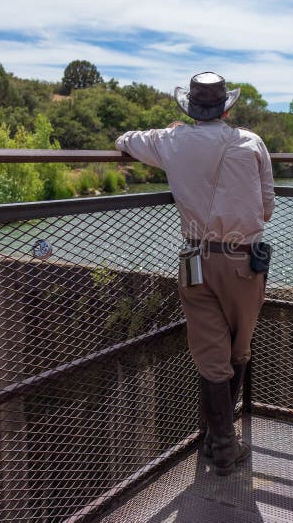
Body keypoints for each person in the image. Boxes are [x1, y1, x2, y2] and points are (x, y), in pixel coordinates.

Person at [115, 71, 275, 476]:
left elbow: (125, 140)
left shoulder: (169, 141)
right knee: (238, 349)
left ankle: (218, 441)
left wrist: (173, 134)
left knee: (208, 348)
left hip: (194, 257)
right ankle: (222, 441)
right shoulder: (251, 142)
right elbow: (267, 208)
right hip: (242, 259)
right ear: (225, 107)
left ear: (190, 107)